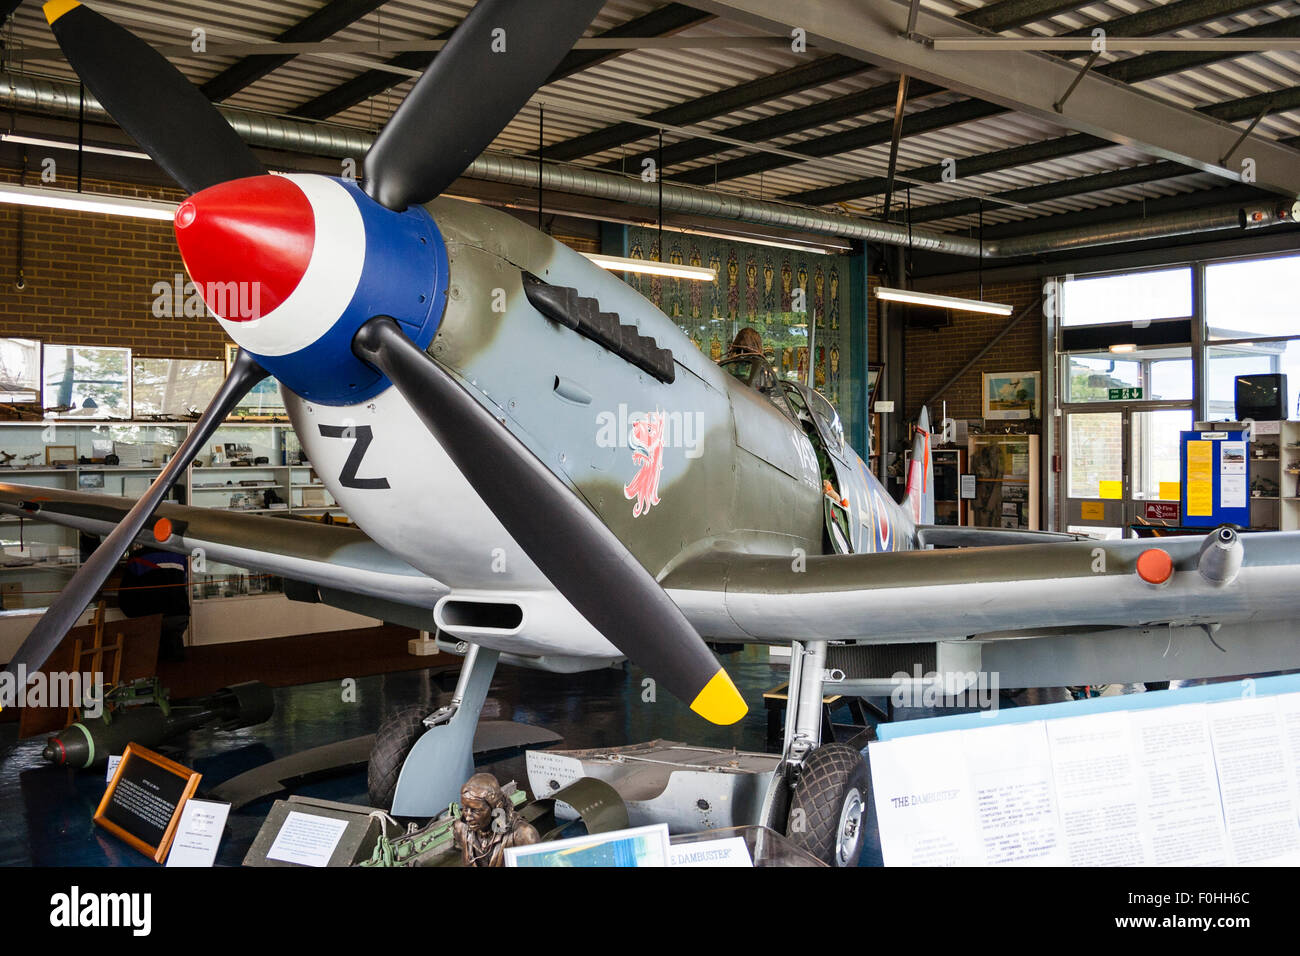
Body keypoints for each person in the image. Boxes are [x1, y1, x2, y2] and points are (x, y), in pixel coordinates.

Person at [117, 547, 191, 662]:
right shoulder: (179, 555)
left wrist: (130, 611)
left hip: (152, 615)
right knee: (174, 655)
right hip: (178, 613)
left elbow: (127, 591)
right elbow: (183, 580)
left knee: (153, 658)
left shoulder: (138, 557)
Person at [452, 772, 540, 867]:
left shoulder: (523, 836)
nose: (467, 817)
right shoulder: (461, 828)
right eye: (465, 809)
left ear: (497, 807)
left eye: (476, 811)